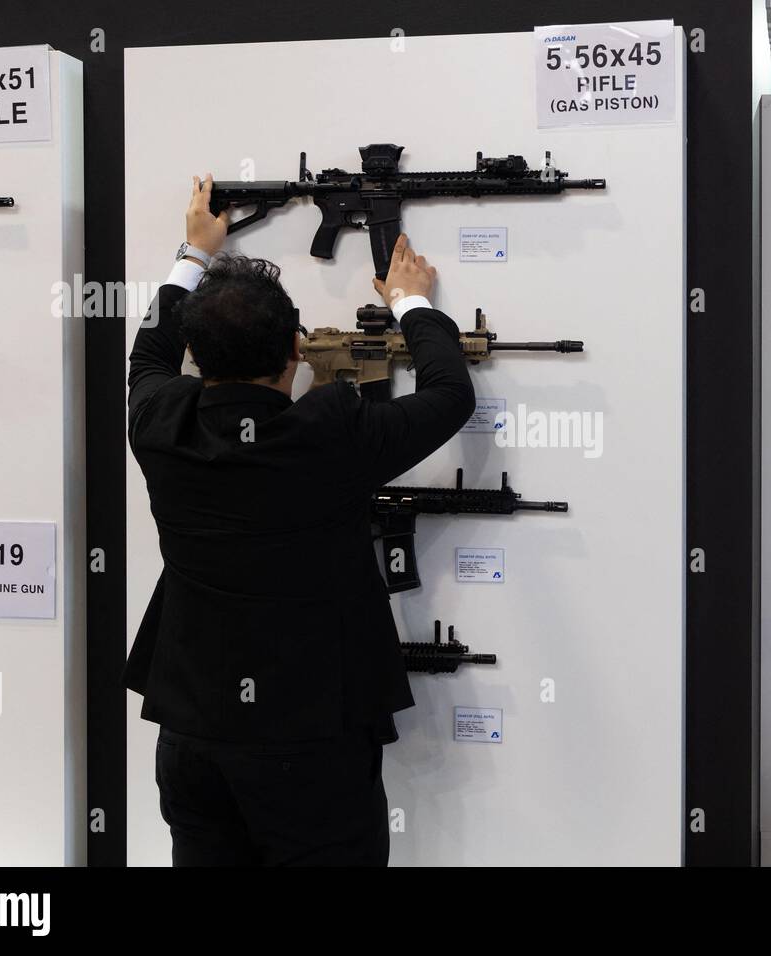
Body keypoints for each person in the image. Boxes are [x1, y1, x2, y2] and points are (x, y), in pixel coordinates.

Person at [123, 176, 476, 866]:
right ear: (295, 348)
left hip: (193, 731)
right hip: (310, 739)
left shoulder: (158, 419)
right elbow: (449, 395)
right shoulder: (331, 434)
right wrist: (409, 300)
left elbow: (148, 355)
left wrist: (193, 255)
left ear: (197, 357)